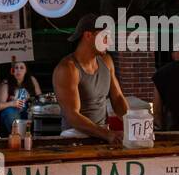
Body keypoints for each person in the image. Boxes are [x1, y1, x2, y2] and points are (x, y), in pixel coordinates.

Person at [54, 13, 129, 143]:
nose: (110, 42)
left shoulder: (106, 61)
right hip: (75, 136)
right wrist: (107, 134)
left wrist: (133, 123)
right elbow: (73, 115)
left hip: (103, 133)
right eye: (105, 37)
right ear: (88, 35)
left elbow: (117, 98)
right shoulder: (68, 68)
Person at [0, 60, 42, 137]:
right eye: (16, 68)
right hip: (11, 115)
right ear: (12, 70)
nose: (18, 70)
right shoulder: (6, 83)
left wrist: (32, 101)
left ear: (26, 70)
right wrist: (12, 103)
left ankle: (32, 138)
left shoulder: (31, 80)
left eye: (21, 68)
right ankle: (17, 138)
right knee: (11, 111)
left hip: (26, 112)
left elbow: (40, 98)